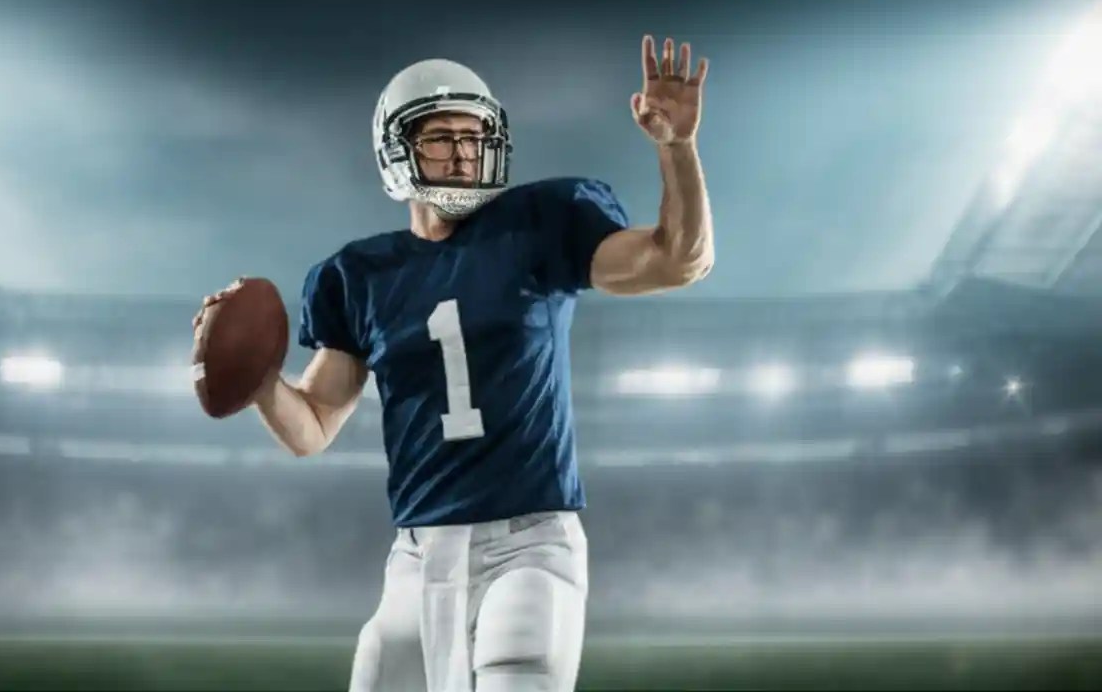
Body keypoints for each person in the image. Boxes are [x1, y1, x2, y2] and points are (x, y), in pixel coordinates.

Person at [194, 35, 714, 692]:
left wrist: (677, 148)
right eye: (441, 137)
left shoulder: (540, 225)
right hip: (416, 557)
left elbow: (679, 259)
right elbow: (315, 426)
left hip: (529, 544)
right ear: (396, 148)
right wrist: (259, 380)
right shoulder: (360, 275)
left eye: (475, 136)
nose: (465, 154)